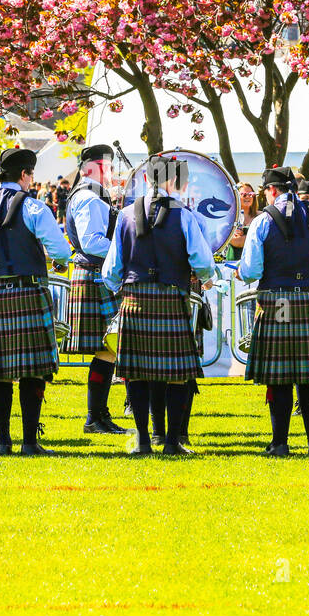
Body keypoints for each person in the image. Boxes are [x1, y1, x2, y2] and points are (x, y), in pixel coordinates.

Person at [0, 147, 72, 455]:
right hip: (29, 293)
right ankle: (30, 443)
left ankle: (3, 443)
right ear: (24, 175)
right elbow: (61, 252)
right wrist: (49, 260)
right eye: (31, 174)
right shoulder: (34, 208)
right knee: (32, 369)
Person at [102, 155, 218, 455]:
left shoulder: (126, 214)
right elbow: (203, 262)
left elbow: (110, 271)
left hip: (134, 299)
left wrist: (125, 289)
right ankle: (171, 442)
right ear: (172, 182)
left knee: (137, 372)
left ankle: (142, 440)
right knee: (177, 373)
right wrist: (206, 280)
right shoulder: (185, 215)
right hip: (170, 298)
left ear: (146, 180)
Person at [237, 166, 309, 455]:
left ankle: (279, 443)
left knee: (280, 374)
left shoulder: (263, 221)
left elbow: (251, 271)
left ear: (272, 190)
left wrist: (241, 272)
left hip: (278, 304)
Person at [63, 144, 129, 435]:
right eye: (107, 167)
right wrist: (124, 250)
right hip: (95, 275)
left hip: (93, 275)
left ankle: (98, 416)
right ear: (95, 168)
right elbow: (91, 242)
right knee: (108, 348)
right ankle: (95, 417)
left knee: (109, 349)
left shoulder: (88, 195)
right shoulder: (90, 198)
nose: (110, 173)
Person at [227, 183, 260, 259]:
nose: (248, 197)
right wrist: (256, 237)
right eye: (244, 194)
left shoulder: (260, 216)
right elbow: (236, 242)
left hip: (254, 261)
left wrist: (242, 238)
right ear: (236, 196)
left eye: (251, 194)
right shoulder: (230, 218)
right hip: (233, 261)